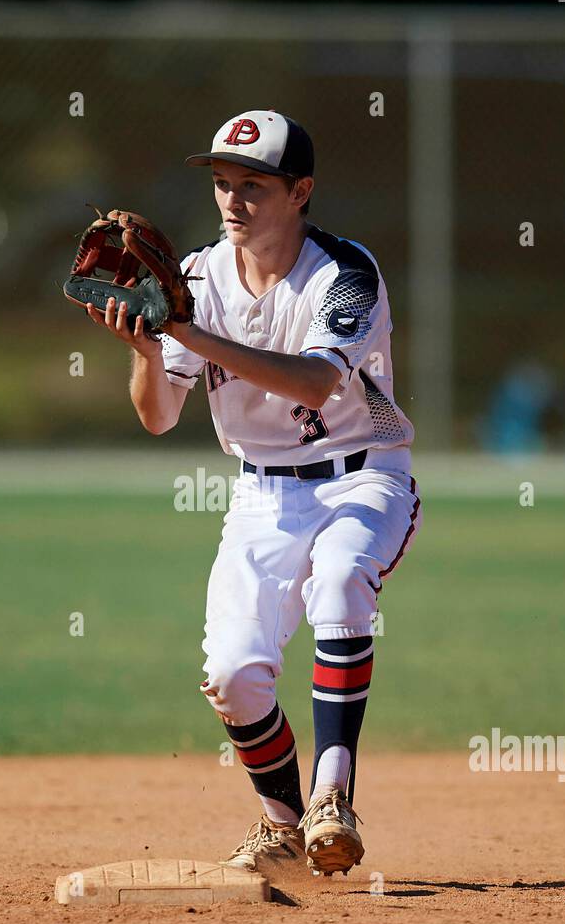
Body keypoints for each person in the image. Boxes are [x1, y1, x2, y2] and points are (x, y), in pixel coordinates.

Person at [85, 109, 421, 877]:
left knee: (341, 580)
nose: (232, 202)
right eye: (222, 185)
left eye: (253, 187)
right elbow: (159, 417)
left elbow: (312, 380)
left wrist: (188, 332)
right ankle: (285, 824)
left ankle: (334, 795)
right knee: (234, 674)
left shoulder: (345, 273)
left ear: (300, 191)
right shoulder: (196, 279)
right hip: (261, 497)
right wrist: (147, 348)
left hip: (364, 473)